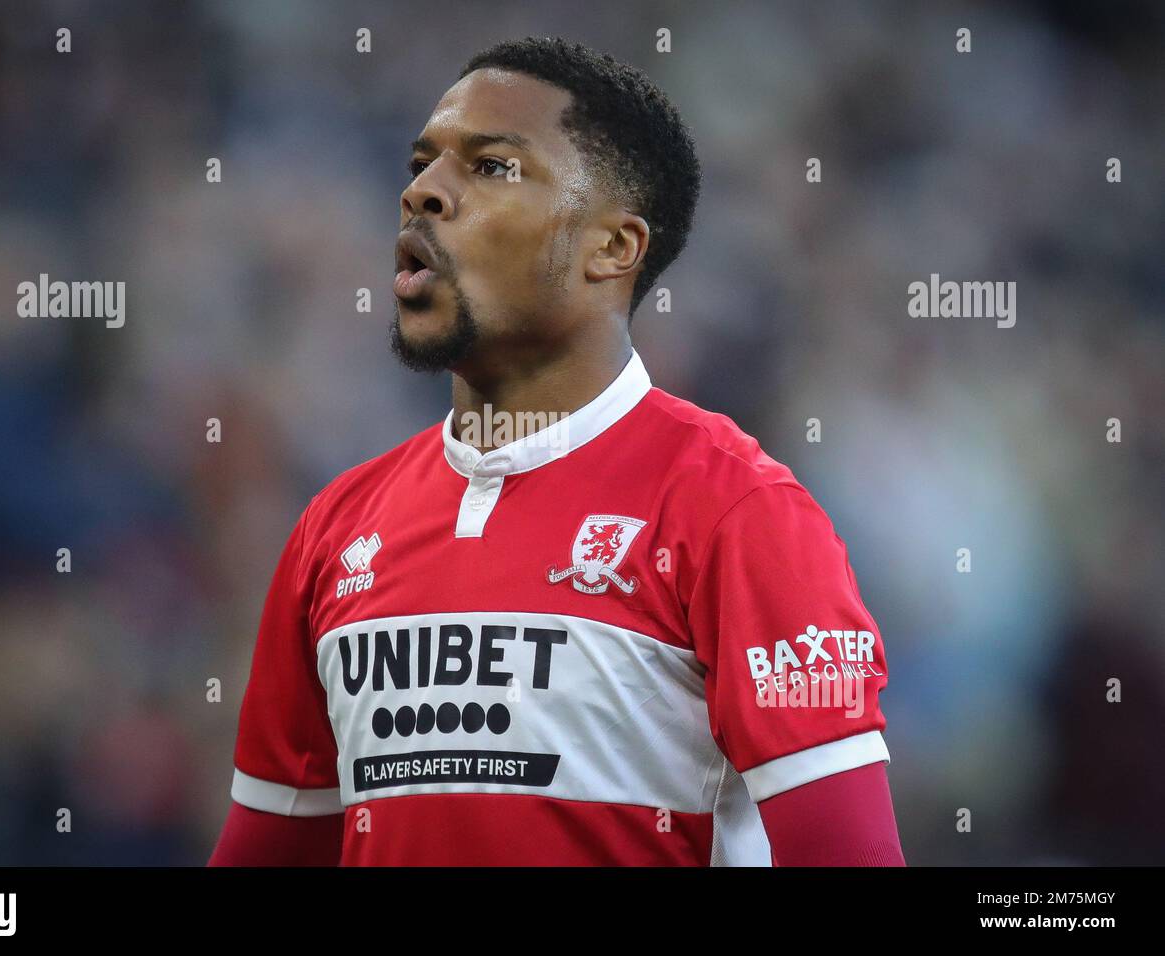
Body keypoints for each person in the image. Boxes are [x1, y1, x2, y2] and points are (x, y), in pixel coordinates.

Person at [209, 36, 904, 866]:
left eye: (492, 166)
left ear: (613, 249)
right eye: (421, 163)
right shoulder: (334, 529)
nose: (423, 193)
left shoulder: (736, 514)